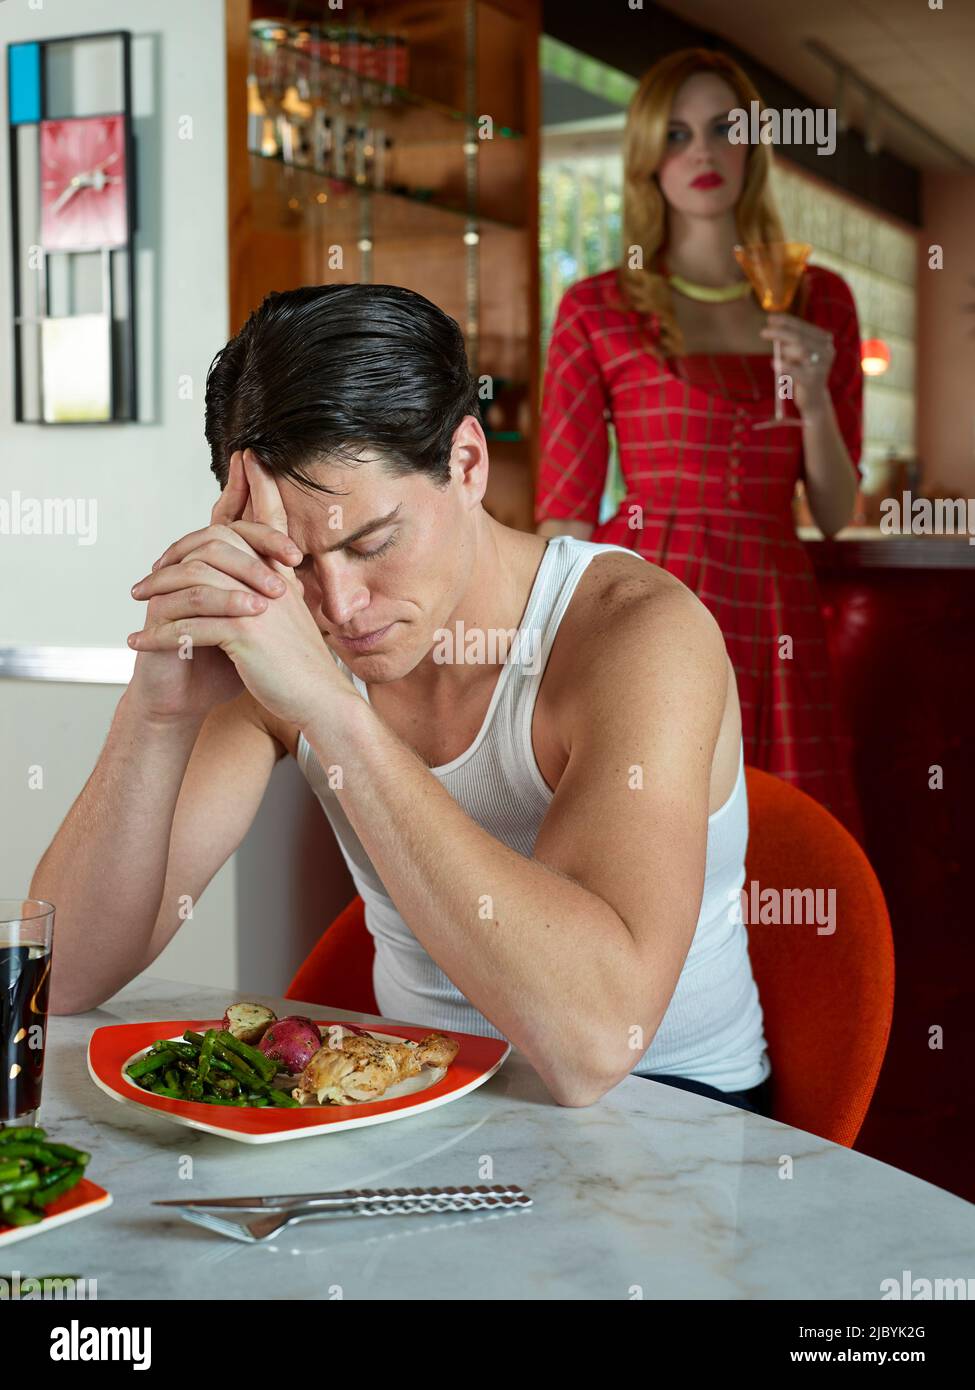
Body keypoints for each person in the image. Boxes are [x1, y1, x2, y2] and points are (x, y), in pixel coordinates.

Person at [35, 282, 772, 1115]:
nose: (339, 606)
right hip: (414, 1105)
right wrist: (156, 713)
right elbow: (64, 981)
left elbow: (594, 1048)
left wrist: (333, 712)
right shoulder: (286, 624)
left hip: (671, 1115)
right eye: (299, 562)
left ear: (466, 463)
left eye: (372, 542)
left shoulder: (636, 635)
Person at [536, 48, 863, 839]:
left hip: (774, 591)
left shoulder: (821, 300)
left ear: (753, 144)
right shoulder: (598, 307)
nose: (702, 152)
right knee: (649, 832)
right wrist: (535, 681)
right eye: (675, 134)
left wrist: (813, 394)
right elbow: (564, 521)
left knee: (790, 839)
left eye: (723, 128)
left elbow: (830, 512)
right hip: (651, 594)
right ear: (647, 158)